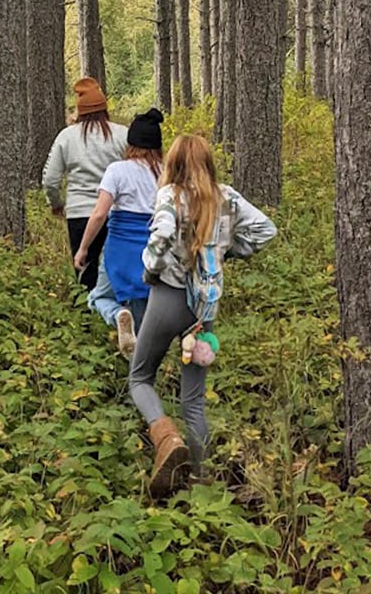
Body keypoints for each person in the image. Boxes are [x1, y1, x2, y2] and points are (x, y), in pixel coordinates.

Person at [129, 133, 277, 498]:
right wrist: (226, 252)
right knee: (193, 398)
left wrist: (150, 271)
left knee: (140, 377)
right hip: (203, 308)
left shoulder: (171, 196)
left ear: (173, 165)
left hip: (168, 298)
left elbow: (160, 238)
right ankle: (201, 477)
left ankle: (167, 439)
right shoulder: (226, 197)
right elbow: (266, 230)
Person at [74, 108, 164, 359]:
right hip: (152, 250)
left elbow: (100, 213)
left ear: (130, 143)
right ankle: (143, 370)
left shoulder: (117, 170)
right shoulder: (166, 173)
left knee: (98, 297)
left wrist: (83, 248)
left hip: (119, 249)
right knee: (143, 308)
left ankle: (116, 315)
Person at [42, 77, 127, 291]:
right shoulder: (122, 134)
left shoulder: (67, 136)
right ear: (104, 106)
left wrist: (56, 203)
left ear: (80, 110)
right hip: (115, 213)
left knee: (84, 273)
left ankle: (85, 319)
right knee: (116, 271)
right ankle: (118, 316)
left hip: (79, 214)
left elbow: (51, 179)